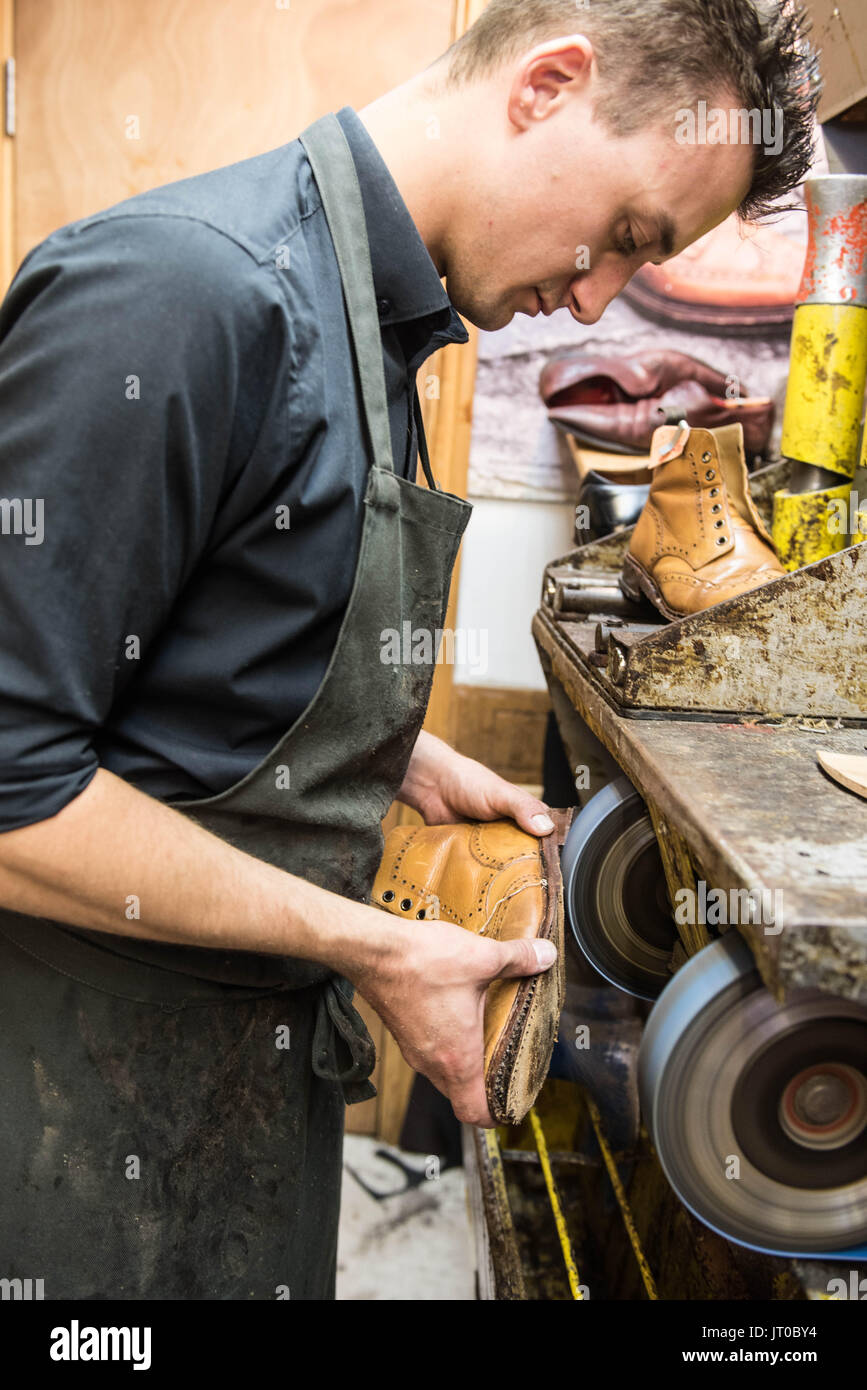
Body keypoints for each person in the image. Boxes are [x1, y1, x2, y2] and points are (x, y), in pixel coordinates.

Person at [0, 0, 818, 1299]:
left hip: (241, 1095)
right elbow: (13, 789)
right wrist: (376, 946)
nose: (596, 296)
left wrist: (389, 746)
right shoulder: (185, 298)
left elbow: (191, 655)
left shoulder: (382, 327)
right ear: (548, 84)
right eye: (624, 237)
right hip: (73, 1122)